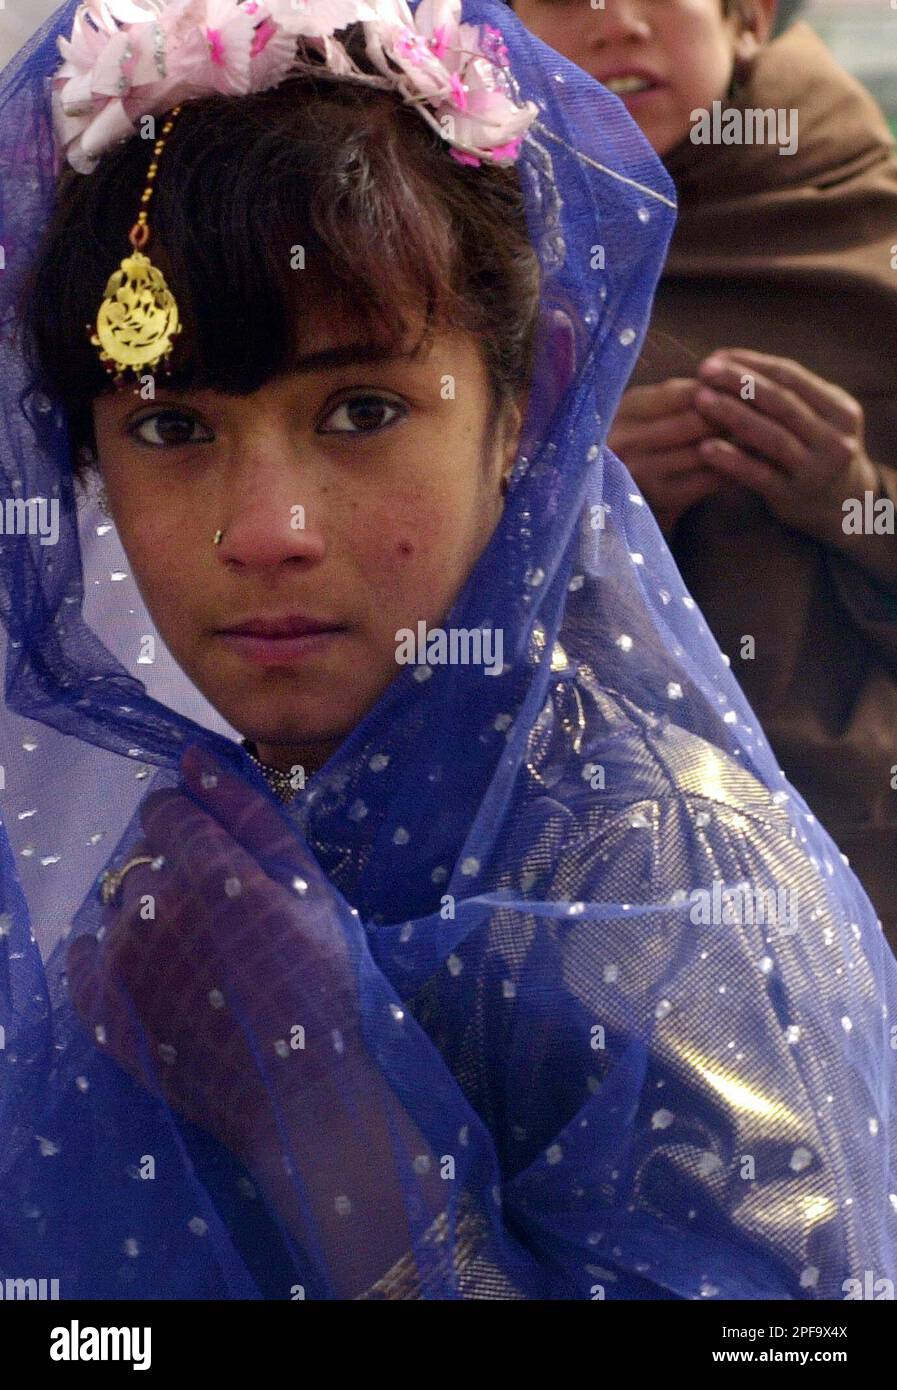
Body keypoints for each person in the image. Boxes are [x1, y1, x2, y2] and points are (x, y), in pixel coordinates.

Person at [0, 0, 894, 1301]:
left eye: (362, 410)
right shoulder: (170, 833)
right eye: (170, 428)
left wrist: (329, 1122)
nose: (267, 532)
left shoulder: (665, 893)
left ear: (528, 402)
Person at [513, 0, 897, 950]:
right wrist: (571, 494)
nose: (617, 25)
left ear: (750, 19)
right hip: (565, 854)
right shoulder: (461, 235)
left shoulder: (863, 227)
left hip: (861, 832)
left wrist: (849, 499)